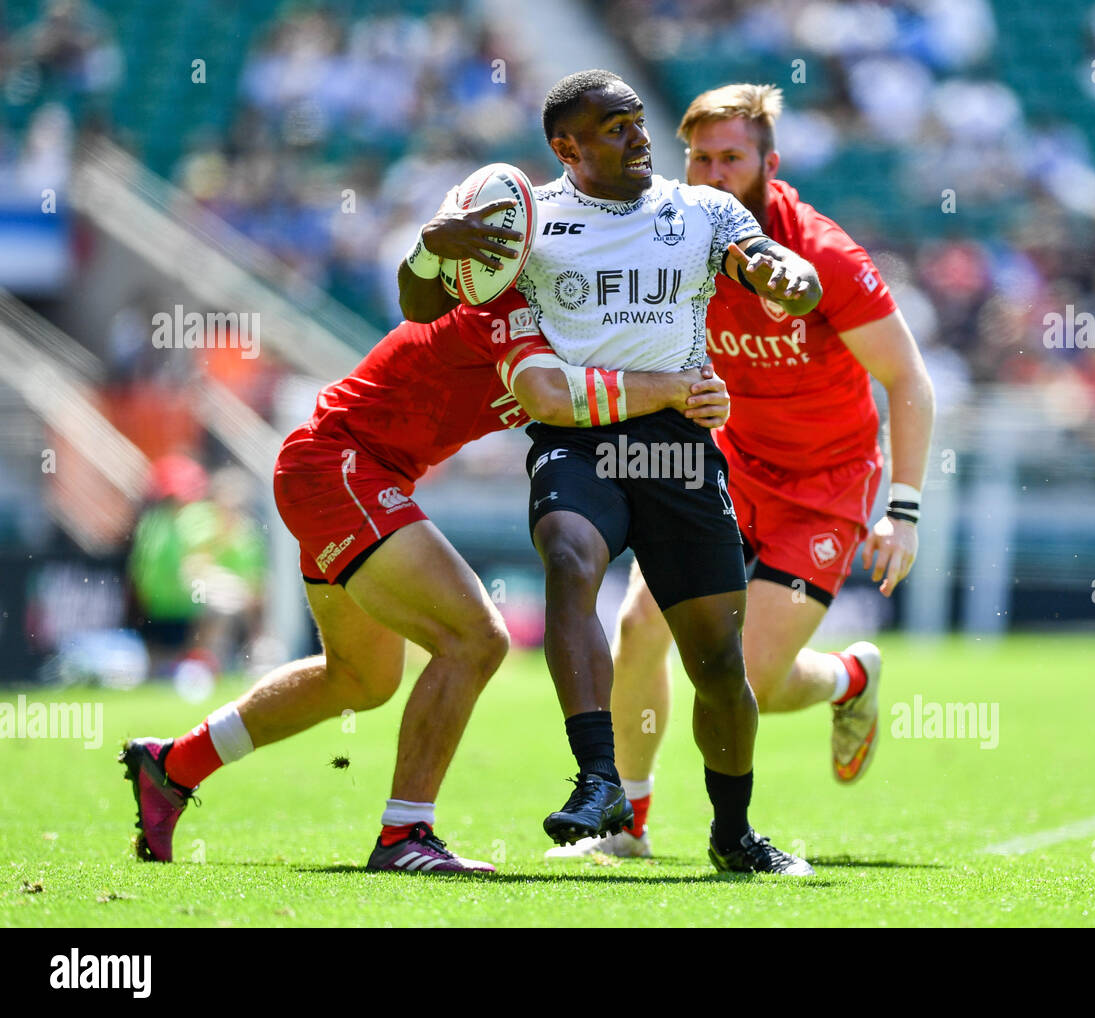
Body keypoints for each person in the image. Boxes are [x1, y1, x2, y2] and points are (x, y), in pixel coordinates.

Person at [120, 256, 729, 874]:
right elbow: (553, 398)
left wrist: (696, 393)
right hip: (344, 470)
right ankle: (404, 834)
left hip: (340, 470)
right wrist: (679, 387)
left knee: (359, 679)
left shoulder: (558, 322)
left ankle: (173, 765)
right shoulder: (513, 309)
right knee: (476, 638)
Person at [401, 69, 825, 875]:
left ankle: (735, 836)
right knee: (567, 555)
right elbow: (421, 302)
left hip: (677, 445)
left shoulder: (699, 211)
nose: (641, 137)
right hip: (579, 437)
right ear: (568, 147)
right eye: (617, 127)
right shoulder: (527, 222)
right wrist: (430, 248)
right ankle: (600, 778)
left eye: (639, 122)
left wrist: (789, 280)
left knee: (718, 666)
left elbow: (782, 276)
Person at [549, 83, 936, 860]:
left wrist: (905, 508)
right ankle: (631, 827)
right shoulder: (677, 235)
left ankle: (847, 681)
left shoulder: (823, 255)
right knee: (638, 629)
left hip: (823, 485)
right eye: (701, 157)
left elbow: (909, 380)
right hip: (726, 465)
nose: (714, 172)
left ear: (769, 164)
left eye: (732, 158)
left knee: (747, 679)